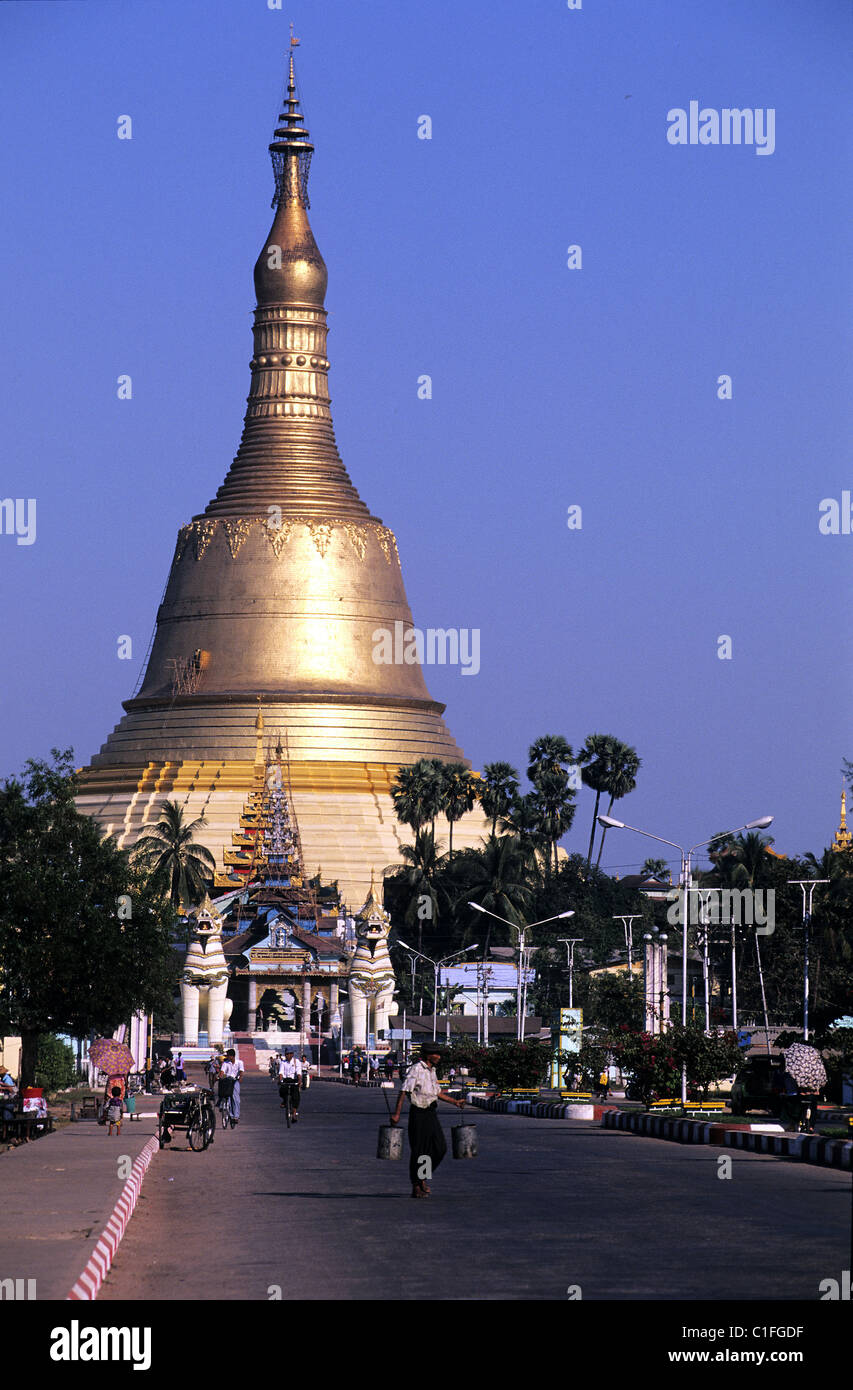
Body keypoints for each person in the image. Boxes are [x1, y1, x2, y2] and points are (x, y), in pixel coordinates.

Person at [390, 1047, 465, 1198]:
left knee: (440, 1147)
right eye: (436, 1054)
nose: (438, 1056)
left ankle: (422, 1176)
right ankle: (417, 1185)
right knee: (419, 1150)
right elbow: (404, 1091)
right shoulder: (416, 1069)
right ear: (428, 1055)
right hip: (418, 1114)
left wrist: (455, 1102)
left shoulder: (432, 1071)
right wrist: (397, 1114)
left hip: (431, 1113)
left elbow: (437, 1093)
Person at [220, 1049, 245, 1124]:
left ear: (232, 1056)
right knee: (226, 1095)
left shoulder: (239, 1062)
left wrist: (240, 1077)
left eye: (228, 1055)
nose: (227, 1057)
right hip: (227, 1080)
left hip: (235, 1081)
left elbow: (241, 1071)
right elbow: (222, 1071)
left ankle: (236, 1116)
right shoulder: (226, 1063)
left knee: (235, 1098)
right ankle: (229, 1113)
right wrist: (220, 1076)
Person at [277, 1050, 302, 1120]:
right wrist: (280, 1080)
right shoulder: (283, 1062)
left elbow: (299, 1072)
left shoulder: (296, 1062)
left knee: (296, 1096)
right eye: (286, 1054)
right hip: (286, 1080)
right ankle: (285, 1101)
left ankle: (294, 1113)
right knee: (281, 1091)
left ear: (292, 1054)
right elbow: (281, 1073)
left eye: (289, 1054)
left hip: (294, 1080)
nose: (287, 1055)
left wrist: (300, 1080)